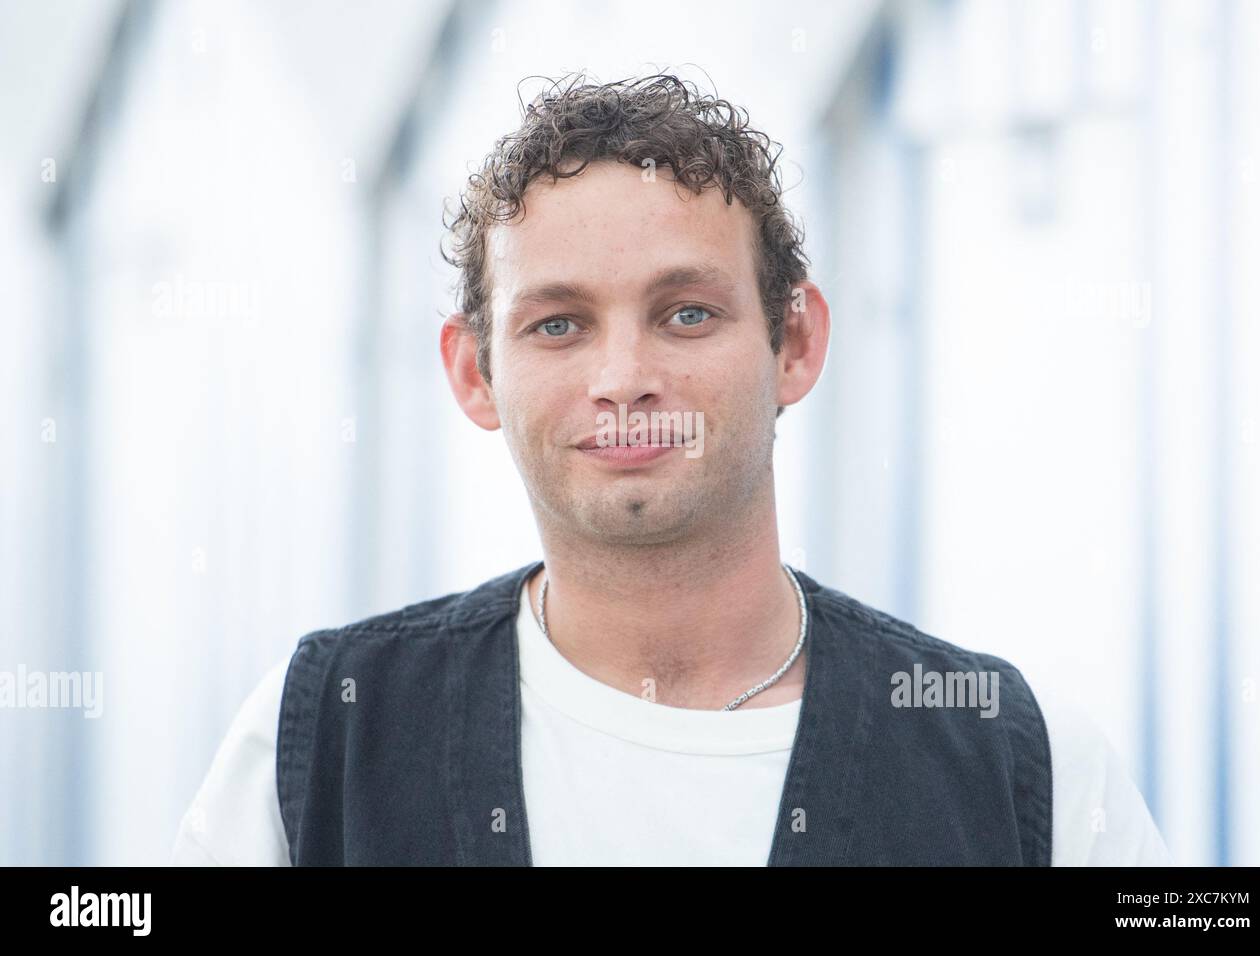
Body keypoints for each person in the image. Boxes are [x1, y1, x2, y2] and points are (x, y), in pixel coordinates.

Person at [172, 72, 1172, 866]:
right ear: (475, 374)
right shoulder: (320, 746)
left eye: (685, 311)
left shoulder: (1020, 768)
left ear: (794, 342)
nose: (624, 378)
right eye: (558, 324)